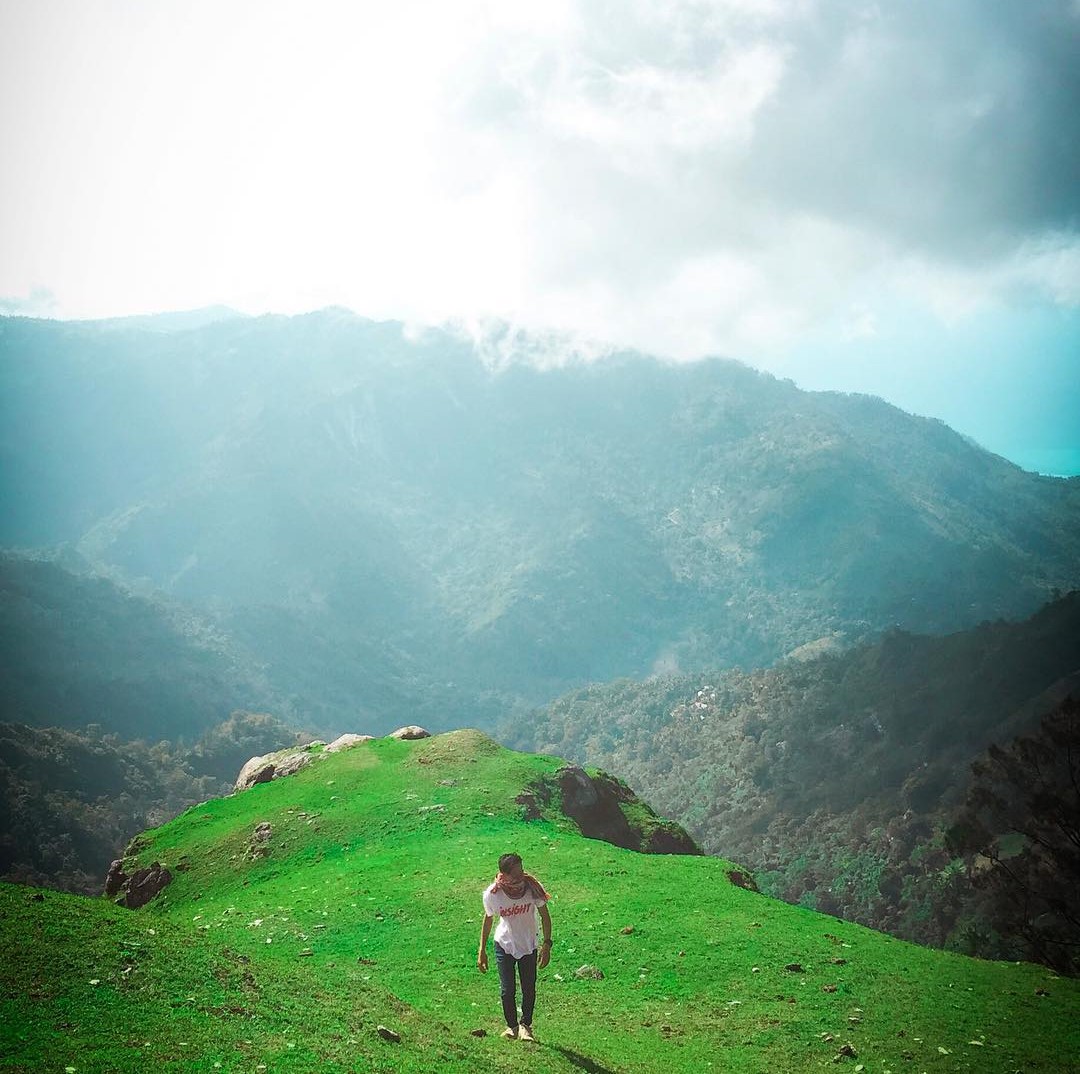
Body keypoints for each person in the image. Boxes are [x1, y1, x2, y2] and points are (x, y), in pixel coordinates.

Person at [477, 852, 553, 1041]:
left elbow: (545, 915)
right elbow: (488, 919)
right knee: (507, 990)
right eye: (516, 874)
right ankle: (512, 1027)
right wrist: (482, 950)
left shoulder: (532, 888)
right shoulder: (493, 894)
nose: (521, 877)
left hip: (528, 944)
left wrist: (547, 944)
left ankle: (526, 1026)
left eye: (521, 871)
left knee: (529, 987)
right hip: (504, 944)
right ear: (504, 874)